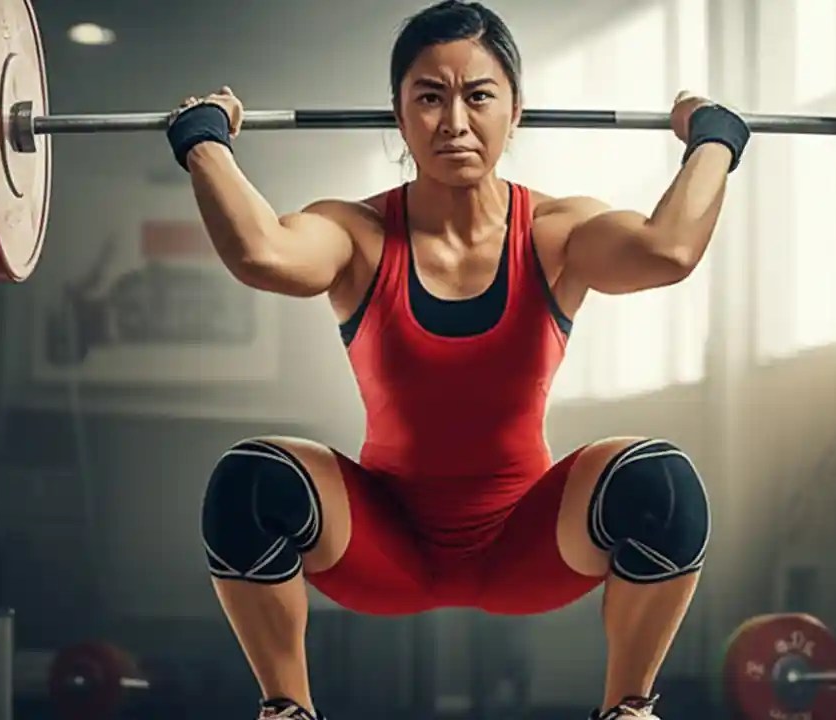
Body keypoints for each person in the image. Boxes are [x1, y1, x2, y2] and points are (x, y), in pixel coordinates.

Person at [166, 2, 749, 718]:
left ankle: (626, 709)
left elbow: (668, 251)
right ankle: (288, 710)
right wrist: (204, 141)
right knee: (251, 478)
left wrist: (714, 138)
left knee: (660, 479)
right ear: (399, 114)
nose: (454, 122)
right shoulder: (358, 232)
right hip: (383, 545)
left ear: (515, 111)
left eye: (477, 96)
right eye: (429, 98)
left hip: (529, 545)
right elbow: (262, 254)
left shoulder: (556, 231)